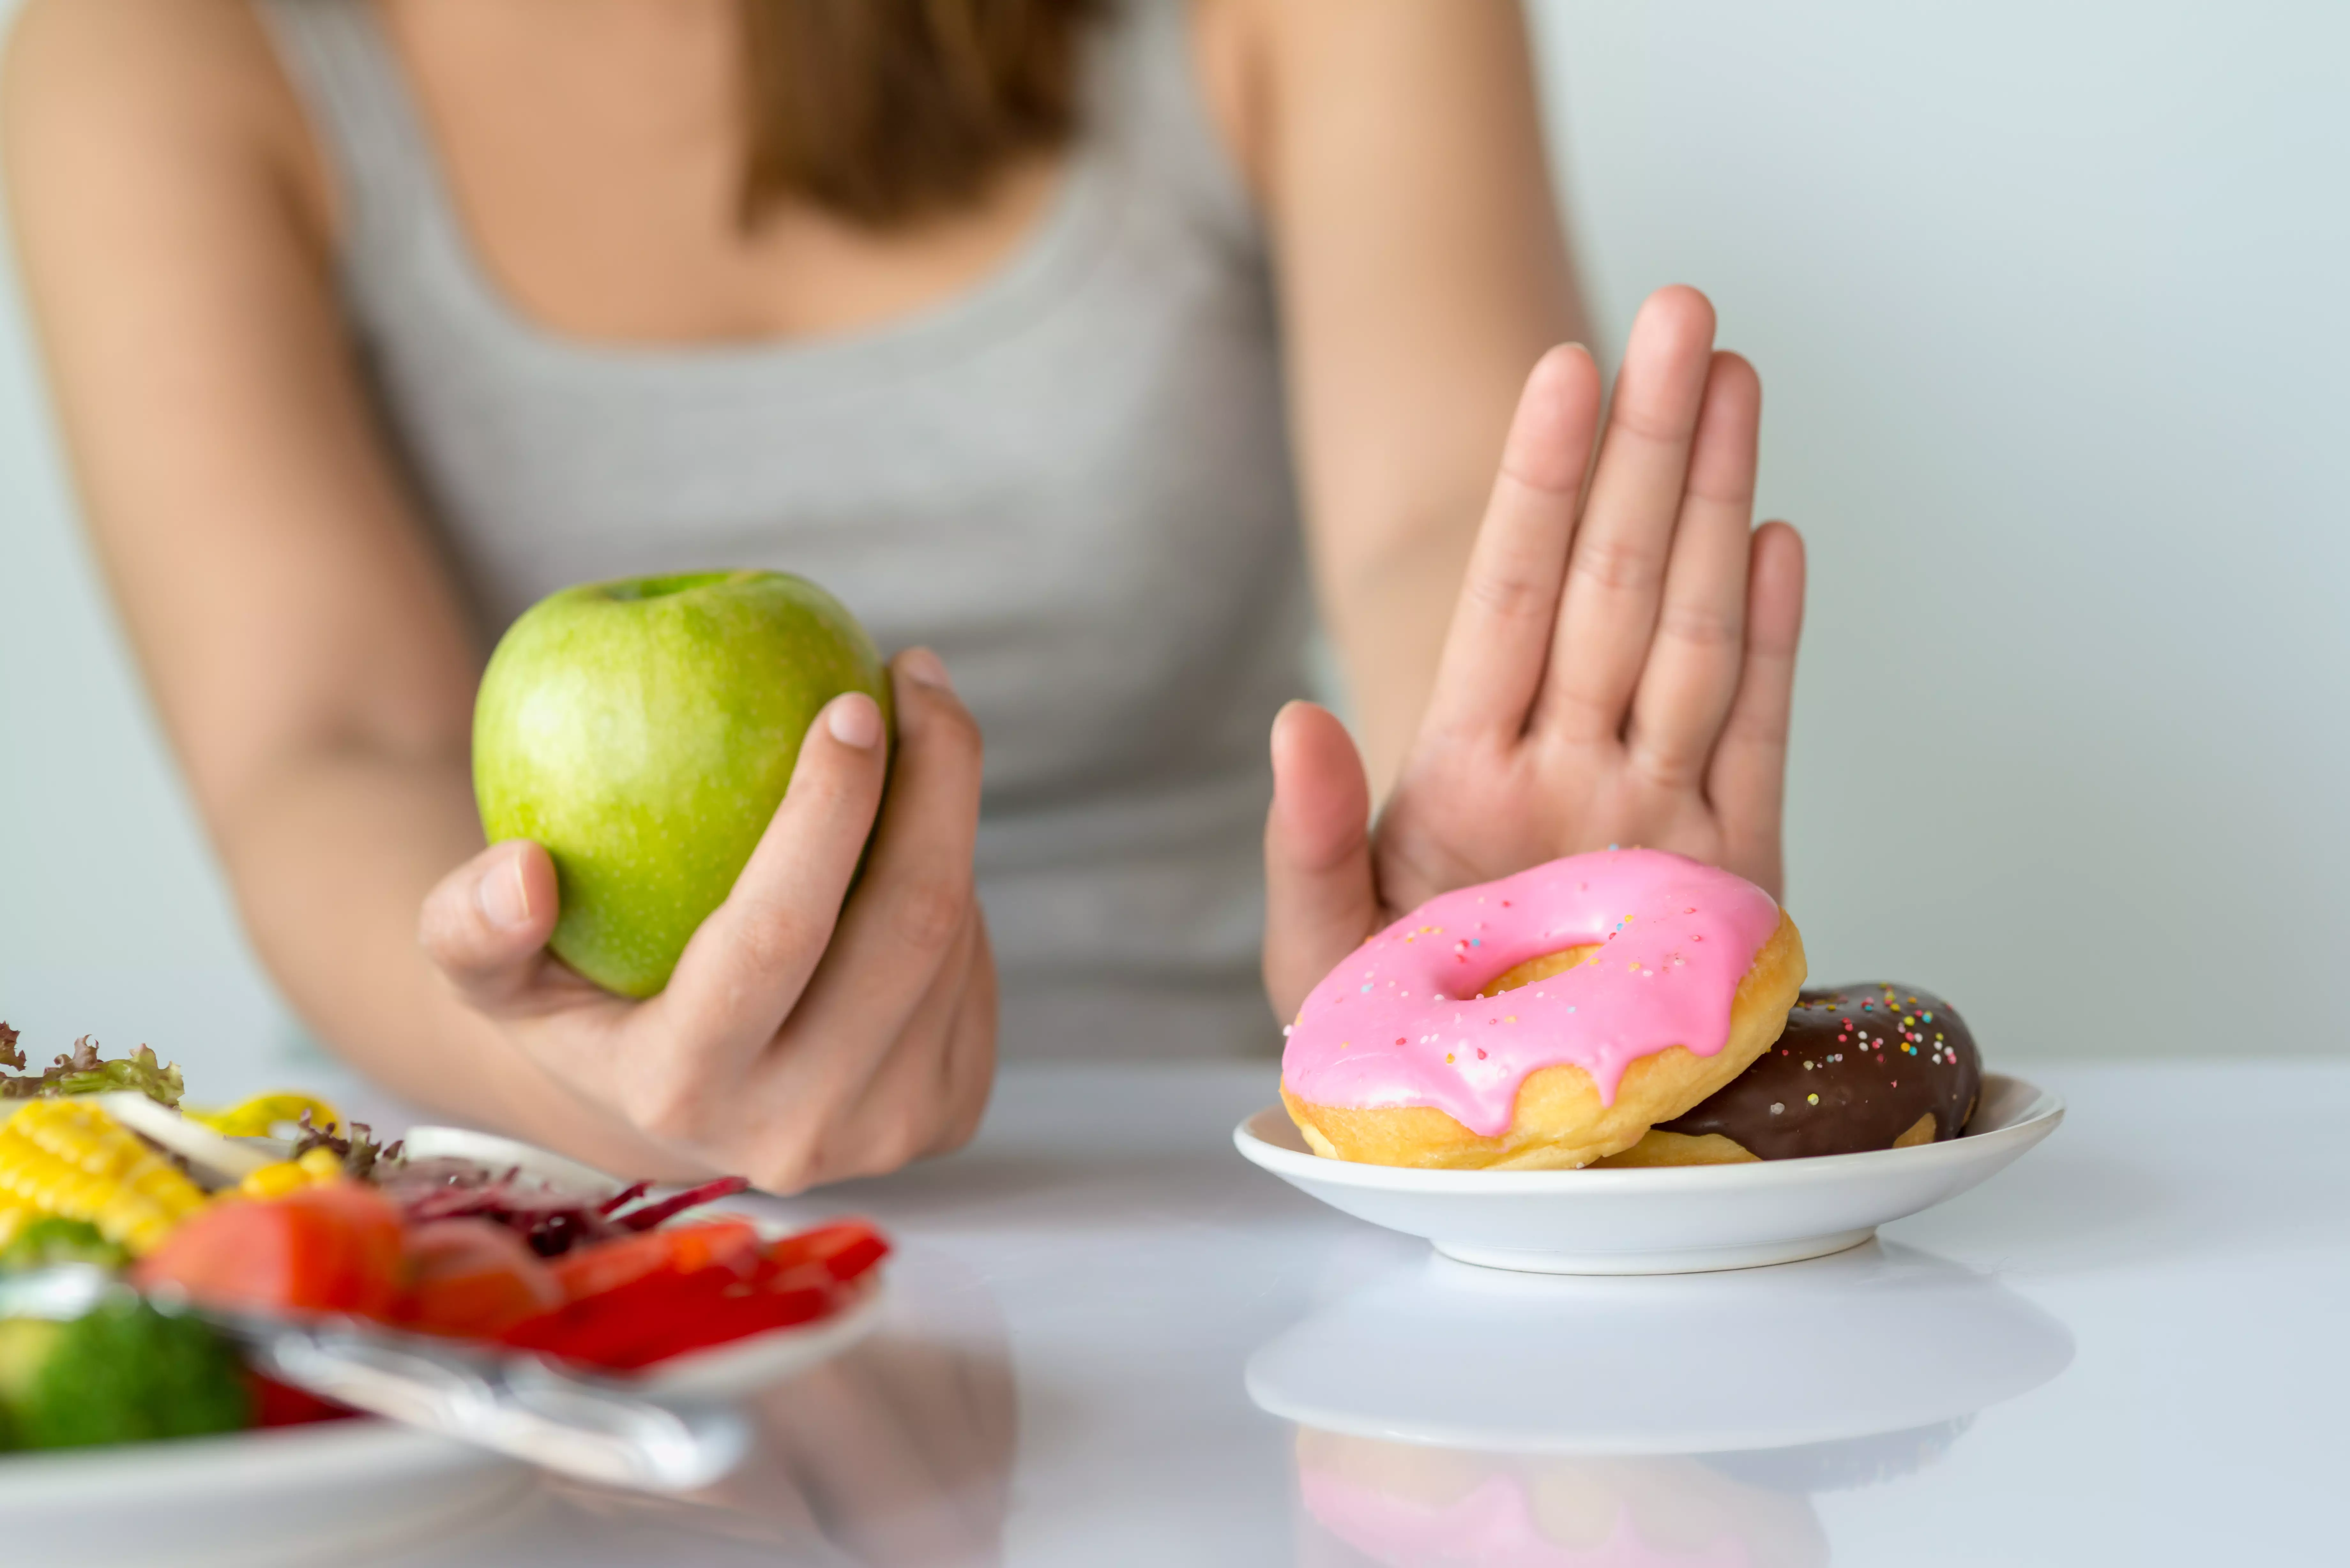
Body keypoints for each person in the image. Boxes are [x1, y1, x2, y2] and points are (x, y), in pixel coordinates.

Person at [3, 0, 1803, 1190]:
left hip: (1203, 1207)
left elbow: (1436, 524)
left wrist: (1496, 907)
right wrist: (604, 1092)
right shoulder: (146, 46)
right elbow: (322, 740)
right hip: (514, 1230)